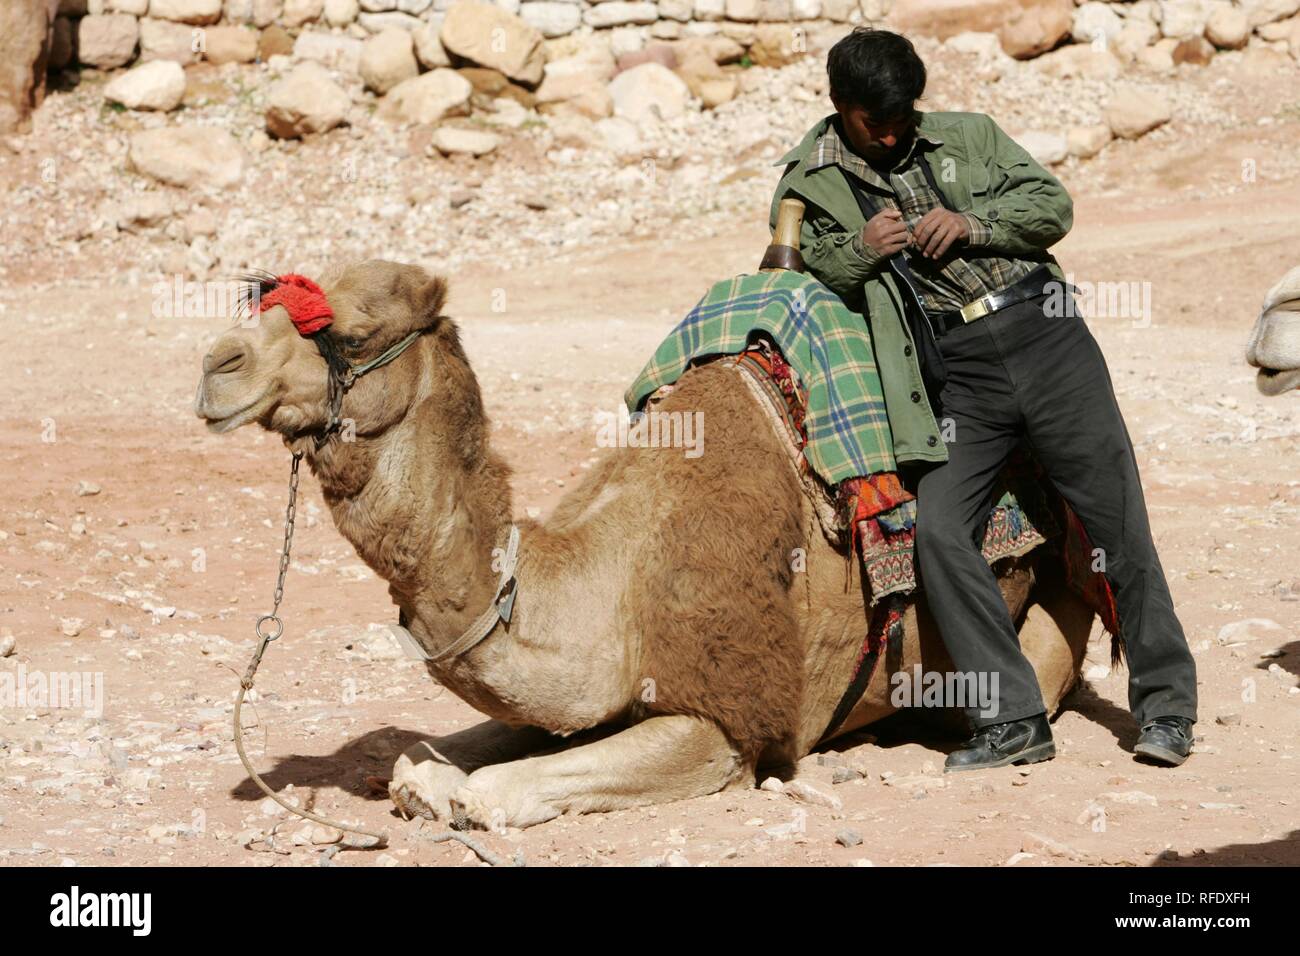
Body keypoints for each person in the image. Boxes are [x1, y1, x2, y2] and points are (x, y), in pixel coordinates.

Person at [768, 27, 1198, 771]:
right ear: (841, 107)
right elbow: (801, 277)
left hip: (1046, 336)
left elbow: (1052, 206)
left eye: (906, 115)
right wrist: (865, 246)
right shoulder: (809, 181)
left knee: (1116, 522)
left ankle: (1167, 709)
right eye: (879, 122)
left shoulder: (970, 134)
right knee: (938, 529)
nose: (897, 131)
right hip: (957, 371)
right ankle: (1012, 720)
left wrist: (974, 224)